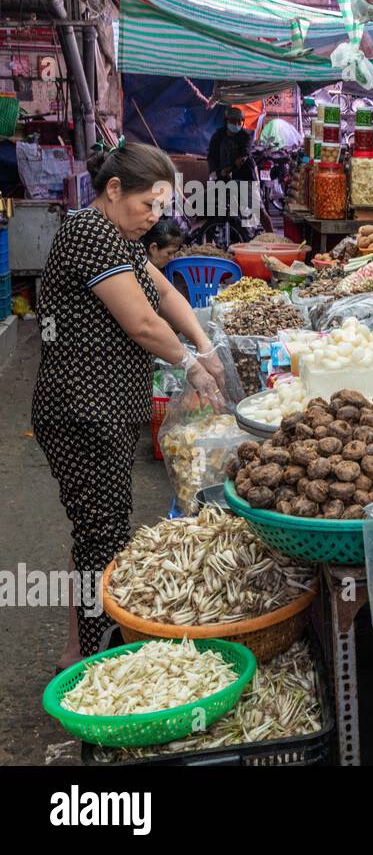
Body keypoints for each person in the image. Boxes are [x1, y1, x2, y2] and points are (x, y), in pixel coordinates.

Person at [33, 143, 225, 667]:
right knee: (103, 535)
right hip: (81, 411)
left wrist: (207, 347)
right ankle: (99, 657)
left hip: (108, 410)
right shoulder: (89, 233)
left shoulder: (120, 238)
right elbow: (141, 322)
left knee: (98, 526)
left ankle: (82, 648)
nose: (154, 218)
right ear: (114, 190)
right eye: (149, 206)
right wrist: (189, 364)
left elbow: (166, 297)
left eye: (162, 208)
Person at [206, 106, 265, 235]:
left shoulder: (245, 136)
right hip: (223, 177)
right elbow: (211, 156)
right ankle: (210, 243)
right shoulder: (218, 136)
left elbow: (243, 156)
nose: (237, 125)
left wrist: (230, 167)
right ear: (226, 121)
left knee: (258, 210)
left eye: (239, 122)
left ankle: (271, 237)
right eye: (233, 121)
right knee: (217, 211)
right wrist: (214, 171)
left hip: (246, 176)